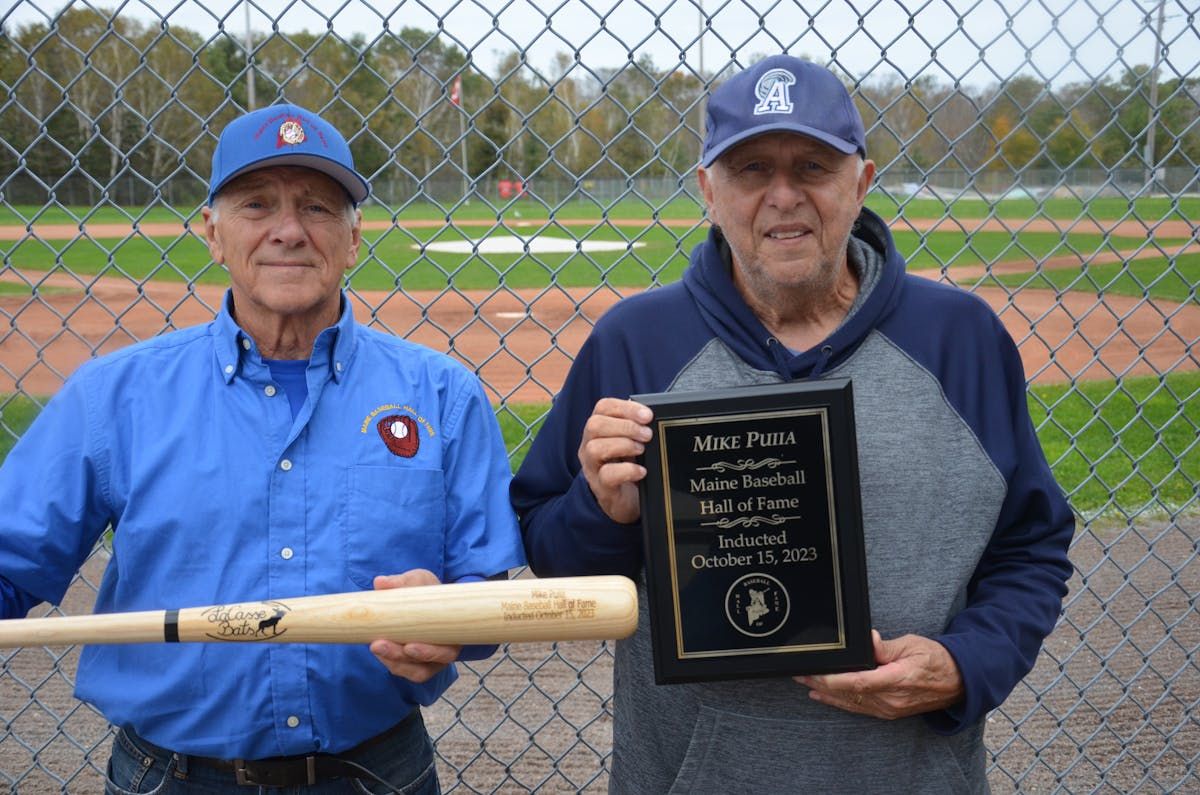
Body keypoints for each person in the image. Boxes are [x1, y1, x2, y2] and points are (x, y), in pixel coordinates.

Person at [510, 55, 1074, 793]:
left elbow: (1031, 543)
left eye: (813, 165)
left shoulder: (959, 338)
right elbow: (555, 557)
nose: (783, 195)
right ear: (708, 191)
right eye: (752, 169)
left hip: (911, 775)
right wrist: (601, 510)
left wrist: (968, 663)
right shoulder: (636, 342)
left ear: (861, 183)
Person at [0, 103, 526, 793]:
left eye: (316, 206)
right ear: (213, 233)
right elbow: (11, 563)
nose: (289, 230)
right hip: (170, 776)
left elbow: (485, 594)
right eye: (257, 204)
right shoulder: (113, 397)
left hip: (375, 771)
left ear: (352, 237)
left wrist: (453, 618)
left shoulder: (443, 395)